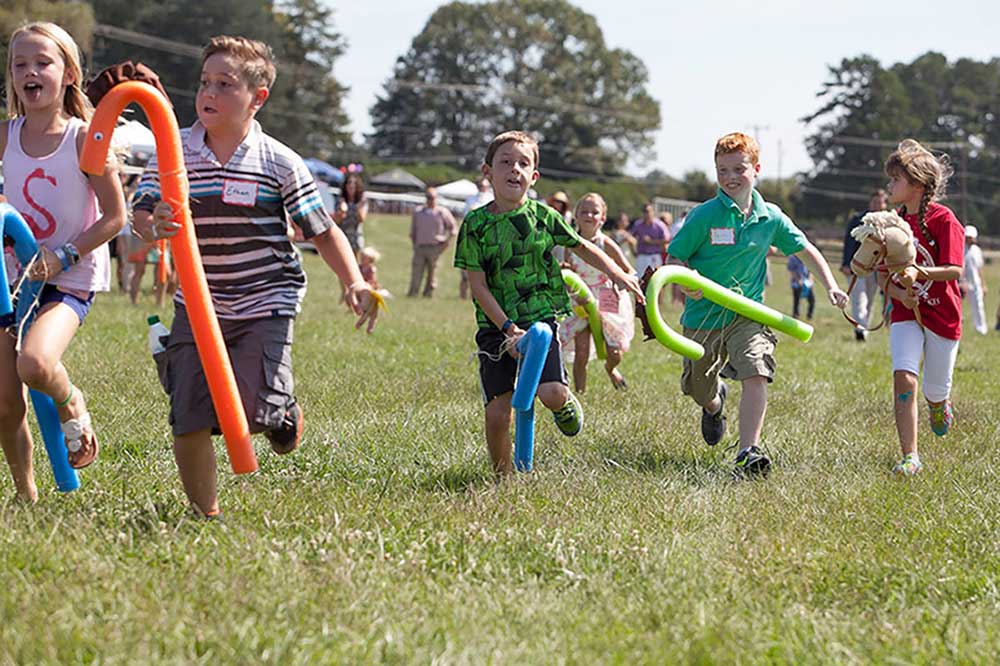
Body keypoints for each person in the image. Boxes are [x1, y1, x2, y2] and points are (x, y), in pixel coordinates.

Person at [131, 36, 379, 517]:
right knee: (189, 418)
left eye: (225, 84)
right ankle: (206, 516)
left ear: (257, 97)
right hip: (199, 305)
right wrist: (152, 223)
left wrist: (354, 282)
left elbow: (323, 232)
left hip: (266, 301)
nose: (210, 92)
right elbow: (140, 214)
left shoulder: (280, 162)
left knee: (249, 415)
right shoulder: (173, 150)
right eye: (205, 82)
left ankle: (281, 414)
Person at [454, 130, 644, 477]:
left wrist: (618, 273)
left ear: (534, 176)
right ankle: (503, 479)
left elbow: (582, 246)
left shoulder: (544, 217)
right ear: (488, 171)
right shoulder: (476, 225)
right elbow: (477, 285)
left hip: (541, 320)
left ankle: (566, 403)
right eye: (506, 162)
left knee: (551, 393)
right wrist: (508, 328)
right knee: (498, 414)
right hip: (497, 329)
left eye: (523, 163)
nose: (515, 169)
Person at [667, 132, 847, 477]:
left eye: (739, 168)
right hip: (703, 316)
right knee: (698, 387)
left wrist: (831, 286)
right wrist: (686, 280)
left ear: (757, 169)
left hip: (748, 313)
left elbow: (805, 250)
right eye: (722, 170)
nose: (731, 177)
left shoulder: (771, 217)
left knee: (756, 369)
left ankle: (748, 450)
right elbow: (674, 257)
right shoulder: (704, 216)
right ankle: (714, 402)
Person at [0, 22, 127, 501]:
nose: (30, 72)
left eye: (43, 62)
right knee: (5, 404)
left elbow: (115, 218)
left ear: (69, 73)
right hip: (12, 281)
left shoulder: (84, 139)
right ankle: (25, 494)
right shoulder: (4, 136)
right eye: (19, 64)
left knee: (34, 363)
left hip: (70, 277)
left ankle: (73, 400)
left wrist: (63, 255)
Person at [879, 139, 964, 476]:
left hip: (943, 316)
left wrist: (919, 272)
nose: (889, 186)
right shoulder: (891, 224)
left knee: (933, 390)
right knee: (904, 378)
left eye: (895, 180)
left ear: (915, 185)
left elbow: (955, 270)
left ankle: (940, 405)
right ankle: (910, 456)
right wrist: (899, 296)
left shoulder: (944, 220)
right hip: (905, 313)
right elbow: (883, 274)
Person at [559, 193, 635, 392]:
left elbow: (628, 270)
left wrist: (622, 283)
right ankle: (580, 393)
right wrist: (565, 272)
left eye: (594, 212)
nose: (589, 216)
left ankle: (611, 369)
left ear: (602, 217)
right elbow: (571, 271)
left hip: (606, 297)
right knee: (581, 352)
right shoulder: (571, 243)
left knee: (614, 351)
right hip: (581, 299)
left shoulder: (606, 244)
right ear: (575, 215)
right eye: (584, 211)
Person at [842, 189, 888, 340]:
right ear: (870, 202)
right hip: (858, 266)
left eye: (880, 202)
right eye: (874, 201)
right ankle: (860, 329)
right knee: (859, 298)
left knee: (870, 299)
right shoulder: (858, 219)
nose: (877, 204)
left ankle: (864, 327)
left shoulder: (888, 222)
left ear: (884, 203)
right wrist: (846, 264)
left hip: (876, 269)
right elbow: (849, 243)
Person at [407, 186, 456, 298]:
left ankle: (428, 294)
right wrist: (414, 243)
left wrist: (446, 242)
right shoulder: (418, 212)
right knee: (416, 272)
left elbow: (453, 228)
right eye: (428, 197)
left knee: (432, 273)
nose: (430, 200)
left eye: (433, 197)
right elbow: (413, 230)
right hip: (420, 247)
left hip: (435, 247)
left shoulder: (442, 212)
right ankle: (413, 293)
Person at [459, 177, 493, 299]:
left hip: (487, 237)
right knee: (465, 269)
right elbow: (465, 216)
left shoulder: (492, 199)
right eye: (480, 186)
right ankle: (462, 296)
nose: (482, 188)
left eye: (484, 186)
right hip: (471, 235)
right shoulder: (470, 199)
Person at [630, 203, 669, 278]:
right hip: (641, 255)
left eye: (649, 211)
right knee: (640, 278)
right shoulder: (638, 224)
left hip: (654, 255)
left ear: (653, 212)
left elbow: (667, 239)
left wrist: (651, 241)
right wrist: (633, 249)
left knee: (655, 278)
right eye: (645, 212)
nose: (647, 214)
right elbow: (631, 237)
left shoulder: (659, 225)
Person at [334, 173, 367, 261]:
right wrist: (342, 210)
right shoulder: (340, 199)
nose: (351, 185)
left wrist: (359, 207)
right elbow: (337, 221)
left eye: (354, 183)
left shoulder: (362, 200)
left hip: (355, 236)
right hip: (342, 235)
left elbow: (361, 219)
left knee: (354, 264)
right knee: (342, 262)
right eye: (349, 182)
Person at [961, 225, 987, 335]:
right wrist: (961, 282)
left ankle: (981, 328)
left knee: (978, 306)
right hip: (963, 283)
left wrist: (983, 284)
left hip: (975, 282)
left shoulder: (977, 250)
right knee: (958, 306)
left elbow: (979, 268)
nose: (969, 239)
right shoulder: (961, 249)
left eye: (971, 237)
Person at [787, 254, 814, 320]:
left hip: (807, 283)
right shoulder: (793, 258)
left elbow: (811, 269)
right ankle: (796, 314)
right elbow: (792, 270)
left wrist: (810, 279)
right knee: (797, 300)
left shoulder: (807, 256)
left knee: (812, 300)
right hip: (796, 283)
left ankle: (809, 315)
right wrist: (798, 280)